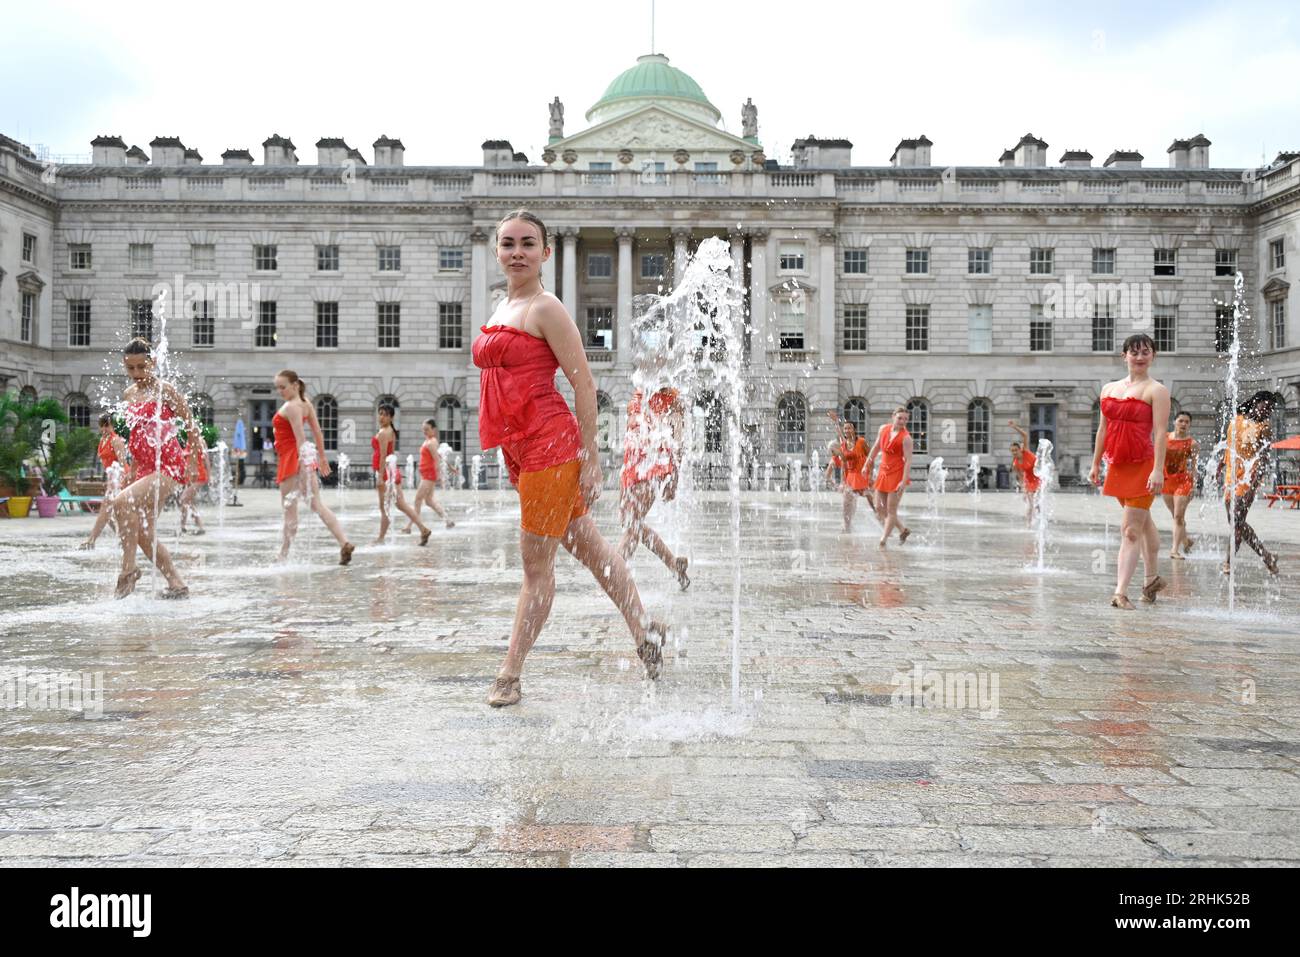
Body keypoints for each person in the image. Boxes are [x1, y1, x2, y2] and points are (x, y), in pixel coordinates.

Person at [473, 209, 668, 707]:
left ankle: (509, 674)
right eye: (509, 243)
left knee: (535, 565)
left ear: (546, 252)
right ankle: (644, 630)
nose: (517, 252)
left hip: (550, 444)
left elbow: (584, 381)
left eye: (528, 244)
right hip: (521, 447)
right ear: (497, 250)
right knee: (593, 550)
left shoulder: (546, 307)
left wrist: (591, 457)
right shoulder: (500, 307)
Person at [1088, 333, 1171, 610]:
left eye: (1146, 351)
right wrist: (1095, 463)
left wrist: (1158, 470)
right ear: (1124, 355)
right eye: (1134, 352)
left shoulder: (1156, 390)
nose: (1139, 357)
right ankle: (1151, 579)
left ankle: (1120, 592)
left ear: (1153, 356)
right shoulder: (1109, 388)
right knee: (1143, 523)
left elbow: (1160, 433)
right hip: (1118, 464)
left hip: (1144, 465)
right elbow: (1103, 429)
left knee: (1131, 530)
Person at [111, 338, 193, 599]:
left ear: (153, 363)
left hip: (168, 465)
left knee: (120, 504)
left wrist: (191, 462)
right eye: (130, 368)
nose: (136, 374)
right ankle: (176, 583)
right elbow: (137, 435)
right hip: (144, 467)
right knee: (144, 534)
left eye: (141, 367)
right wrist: (131, 471)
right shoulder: (128, 394)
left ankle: (128, 569)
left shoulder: (164, 390)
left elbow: (190, 423)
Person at [618, 342, 690, 590]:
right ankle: (674, 564)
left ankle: (612, 574)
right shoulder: (642, 388)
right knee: (631, 524)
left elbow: (678, 439)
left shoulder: (671, 397)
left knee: (633, 526)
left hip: (653, 467)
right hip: (632, 465)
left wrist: (675, 478)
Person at [273, 370, 354, 564]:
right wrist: (322, 458)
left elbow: (301, 438)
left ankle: (282, 557)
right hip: (302, 459)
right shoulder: (306, 403)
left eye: (283, 387)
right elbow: (317, 432)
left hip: (292, 460)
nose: (280, 391)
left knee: (289, 510)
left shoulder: (292, 406)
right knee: (317, 504)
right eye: (277, 387)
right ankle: (344, 542)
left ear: (295, 385)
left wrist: (302, 465)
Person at [1218, 390, 1281, 575]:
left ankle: (1228, 563)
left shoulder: (1264, 428)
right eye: (1266, 406)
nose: (1267, 411)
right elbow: (1230, 444)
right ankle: (1267, 556)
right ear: (1256, 402)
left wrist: (1252, 486)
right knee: (1235, 522)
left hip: (1247, 478)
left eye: (1271, 409)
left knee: (1237, 522)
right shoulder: (1236, 419)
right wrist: (1221, 463)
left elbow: (1263, 459)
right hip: (1231, 477)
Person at [372, 404, 430, 546]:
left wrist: (380, 476)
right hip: (392, 471)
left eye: (385, 414)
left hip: (386, 473)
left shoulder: (384, 432)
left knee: (384, 507)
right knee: (400, 505)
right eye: (380, 413)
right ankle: (423, 529)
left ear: (391, 417)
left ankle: (381, 538)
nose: (381, 417)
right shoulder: (390, 430)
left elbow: (383, 456)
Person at [864, 406, 912, 548]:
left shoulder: (906, 438)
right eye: (900, 418)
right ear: (893, 416)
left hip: (897, 475)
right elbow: (876, 447)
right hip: (883, 473)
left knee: (891, 511)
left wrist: (903, 482)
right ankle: (903, 530)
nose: (902, 421)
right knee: (879, 507)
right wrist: (867, 463)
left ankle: (883, 540)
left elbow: (909, 460)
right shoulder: (883, 429)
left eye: (905, 419)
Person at [79, 414, 130, 549]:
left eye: (107, 425)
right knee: (109, 513)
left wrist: (119, 482)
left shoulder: (116, 440)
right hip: (112, 478)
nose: (104, 428)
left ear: (112, 425)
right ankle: (122, 537)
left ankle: (91, 541)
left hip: (120, 478)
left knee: (105, 510)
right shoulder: (103, 440)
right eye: (102, 425)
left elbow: (123, 463)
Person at [404, 420, 455, 532]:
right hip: (427, 474)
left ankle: (410, 526)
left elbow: (436, 459)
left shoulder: (431, 442)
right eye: (423, 429)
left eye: (427, 429)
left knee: (418, 499)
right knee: (429, 501)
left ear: (434, 429)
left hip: (428, 475)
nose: (425, 431)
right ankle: (448, 520)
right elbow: (440, 456)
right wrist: (450, 466)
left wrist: (438, 475)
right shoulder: (429, 441)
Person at [1162, 411, 1199, 560]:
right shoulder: (1164, 438)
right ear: (1175, 422)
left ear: (1189, 425)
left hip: (1183, 482)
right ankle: (1186, 541)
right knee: (1176, 517)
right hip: (1166, 481)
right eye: (1181, 421)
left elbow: (1194, 467)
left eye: (1187, 422)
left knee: (1178, 516)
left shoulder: (1193, 444)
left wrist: (1194, 486)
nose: (1183, 424)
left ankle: (1174, 550)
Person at [827, 411, 870, 532]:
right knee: (848, 502)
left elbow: (869, 455)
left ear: (854, 429)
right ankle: (847, 526)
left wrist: (868, 471)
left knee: (852, 502)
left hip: (858, 476)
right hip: (849, 478)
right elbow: (840, 434)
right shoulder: (844, 444)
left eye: (849, 428)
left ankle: (848, 525)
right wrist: (835, 422)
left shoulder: (860, 443)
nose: (846, 431)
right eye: (845, 428)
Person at [1008, 420, 1042, 526]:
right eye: (1012, 451)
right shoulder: (1015, 464)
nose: (1014, 452)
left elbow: (1025, 435)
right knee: (1030, 504)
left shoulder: (1025, 451)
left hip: (1038, 476)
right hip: (1029, 480)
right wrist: (1024, 489)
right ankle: (1028, 525)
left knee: (1038, 502)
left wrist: (1014, 427)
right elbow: (1021, 477)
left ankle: (1040, 521)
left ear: (1020, 449)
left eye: (1015, 450)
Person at [178, 429, 208, 535]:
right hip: (191, 477)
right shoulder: (189, 442)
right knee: (188, 502)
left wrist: (210, 475)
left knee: (184, 499)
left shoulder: (200, 442)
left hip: (199, 476)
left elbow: (206, 459)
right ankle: (186, 527)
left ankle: (188, 526)